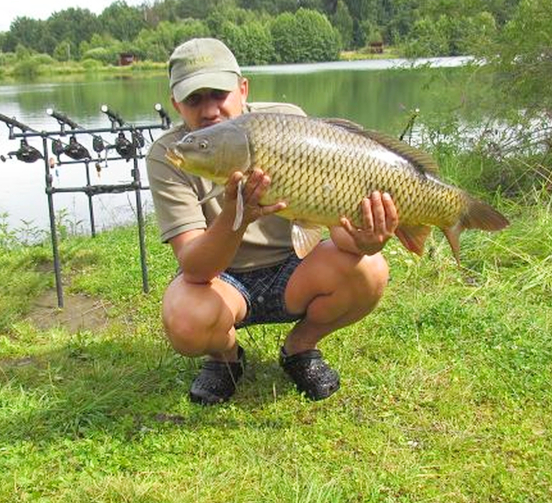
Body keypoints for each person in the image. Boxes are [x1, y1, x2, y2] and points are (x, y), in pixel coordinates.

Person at [146, 38, 399, 405]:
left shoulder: (286, 122)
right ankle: (226, 358)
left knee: (371, 269)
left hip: (293, 269)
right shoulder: (173, 155)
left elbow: (340, 239)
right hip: (221, 281)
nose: (210, 110)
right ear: (176, 105)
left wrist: (367, 240)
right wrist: (239, 215)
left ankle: (300, 348)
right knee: (186, 319)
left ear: (242, 88)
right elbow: (195, 267)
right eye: (194, 100)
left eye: (218, 93)